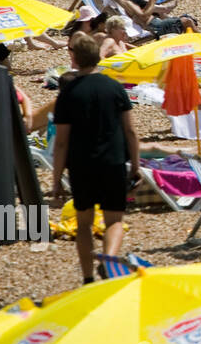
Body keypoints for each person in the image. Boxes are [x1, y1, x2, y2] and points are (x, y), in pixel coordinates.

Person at [51, 33, 138, 284]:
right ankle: (108, 261)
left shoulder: (68, 93)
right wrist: (135, 164)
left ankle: (88, 278)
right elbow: (130, 131)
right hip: (112, 161)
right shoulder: (114, 87)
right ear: (98, 57)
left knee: (84, 222)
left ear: (74, 59)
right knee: (114, 220)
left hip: (82, 164)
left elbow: (62, 142)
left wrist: (56, 179)